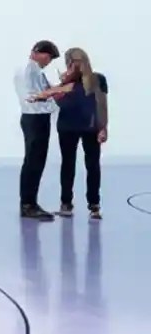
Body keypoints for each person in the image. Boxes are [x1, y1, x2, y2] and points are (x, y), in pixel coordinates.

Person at [32, 47, 107, 220]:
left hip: (90, 128)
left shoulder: (97, 79)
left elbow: (102, 105)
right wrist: (60, 86)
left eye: (73, 62)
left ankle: (94, 204)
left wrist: (103, 127)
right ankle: (66, 203)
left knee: (92, 165)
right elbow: (57, 101)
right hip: (67, 127)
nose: (72, 66)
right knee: (68, 164)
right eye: (70, 63)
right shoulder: (65, 83)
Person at [14, 40, 60, 220]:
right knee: (34, 162)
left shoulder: (33, 71)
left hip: (33, 118)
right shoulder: (30, 70)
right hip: (35, 118)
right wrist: (57, 92)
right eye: (48, 57)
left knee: (34, 161)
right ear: (37, 52)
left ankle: (29, 202)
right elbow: (35, 96)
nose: (48, 62)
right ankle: (28, 204)